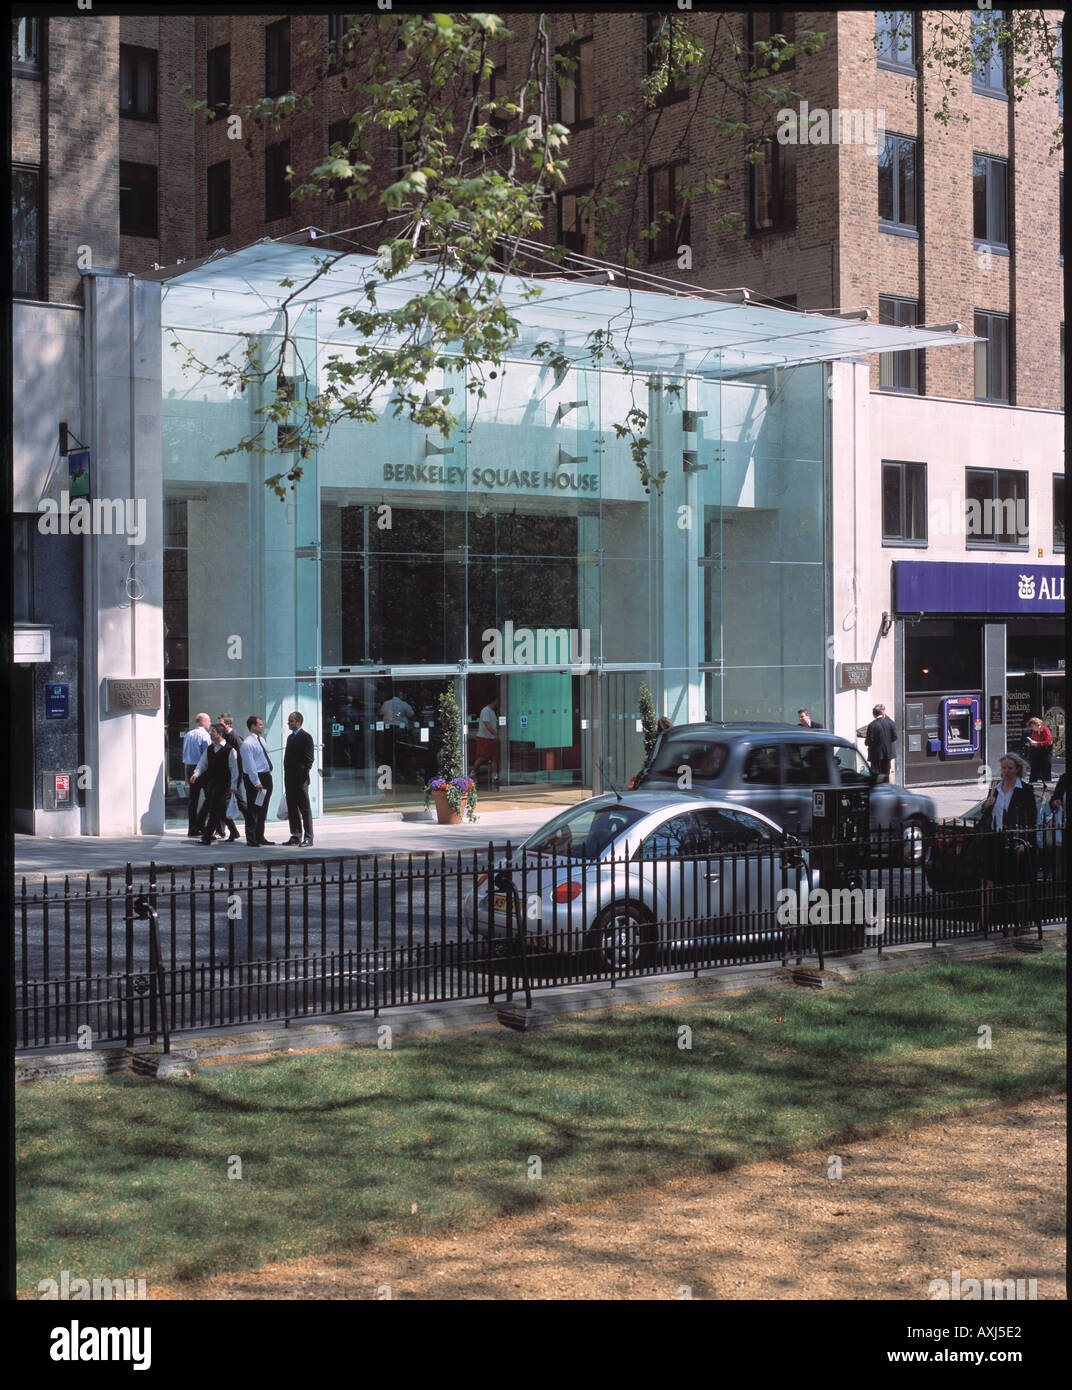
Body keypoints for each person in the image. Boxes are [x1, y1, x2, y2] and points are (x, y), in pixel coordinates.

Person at [977, 753, 1038, 933]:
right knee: (988, 882)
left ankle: (1021, 924)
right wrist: (986, 806)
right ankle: (983, 923)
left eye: (1010, 768)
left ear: (1017, 769)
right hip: (995, 840)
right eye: (1004, 768)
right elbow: (986, 813)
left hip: (1015, 841)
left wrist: (1024, 842)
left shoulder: (1025, 790)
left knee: (1020, 884)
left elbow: (1031, 819)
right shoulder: (995, 787)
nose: (1006, 772)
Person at [191, 724, 241, 845]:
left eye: (213, 732)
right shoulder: (209, 749)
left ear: (220, 734)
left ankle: (206, 837)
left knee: (213, 811)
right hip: (212, 784)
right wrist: (196, 774)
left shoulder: (230, 750)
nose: (210, 733)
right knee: (221, 810)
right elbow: (203, 763)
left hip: (224, 786)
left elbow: (235, 770)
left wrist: (234, 786)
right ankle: (234, 832)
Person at [241, 715, 274, 847]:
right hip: (256, 778)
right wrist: (257, 782)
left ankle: (260, 836)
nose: (262, 726)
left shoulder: (261, 740)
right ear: (252, 726)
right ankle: (251, 837)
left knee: (263, 809)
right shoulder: (247, 743)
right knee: (253, 809)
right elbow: (250, 766)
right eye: (260, 724)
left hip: (265, 776)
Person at [283, 710, 315, 847]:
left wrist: (303, 775)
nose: (288, 723)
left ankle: (308, 837)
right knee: (292, 808)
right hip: (289, 778)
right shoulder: (290, 738)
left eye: (291, 721)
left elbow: (309, 760)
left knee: (304, 808)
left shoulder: (306, 737)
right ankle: (295, 834)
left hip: (300, 779)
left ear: (298, 722)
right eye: (288, 721)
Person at [217, 713, 246, 841]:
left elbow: (240, 757)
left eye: (221, 724)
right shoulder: (225, 736)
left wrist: (237, 777)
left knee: (238, 803)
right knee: (225, 803)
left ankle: (252, 826)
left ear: (228, 724)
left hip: (234, 776)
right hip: (227, 776)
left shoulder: (234, 737)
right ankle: (226, 831)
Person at [182, 712, 211, 837]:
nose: (209, 723)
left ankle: (192, 828)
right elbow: (208, 754)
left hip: (189, 767)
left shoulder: (188, 734)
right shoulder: (205, 735)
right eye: (208, 721)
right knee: (209, 797)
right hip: (201, 768)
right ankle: (200, 824)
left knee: (193, 799)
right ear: (203, 722)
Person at [471, 695, 500, 787]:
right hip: (484, 737)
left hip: (491, 738)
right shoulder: (485, 710)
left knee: (494, 757)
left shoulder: (492, 711)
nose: (497, 703)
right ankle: (472, 772)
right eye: (496, 701)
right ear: (492, 701)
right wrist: (496, 734)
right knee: (482, 756)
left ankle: (494, 775)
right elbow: (487, 724)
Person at [864, 703, 897, 783]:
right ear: (883, 712)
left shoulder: (872, 725)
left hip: (876, 756)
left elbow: (868, 741)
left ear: (874, 714)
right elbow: (894, 737)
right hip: (887, 754)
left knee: (876, 777)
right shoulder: (890, 723)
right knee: (886, 775)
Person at [1024, 717, 1053, 790]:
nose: (1032, 729)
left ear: (1037, 724)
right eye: (1031, 727)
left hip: (1046, 752)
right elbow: (1033, 740)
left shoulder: (1045, 729)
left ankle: (1048, 787)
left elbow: (1049, 742)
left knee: (1045, 769)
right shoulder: (1034, 732)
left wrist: (1037, 743)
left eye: (1032, 726)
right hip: (1037, 752)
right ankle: (1030, 786)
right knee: (1034, 769)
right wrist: (1030, 744)